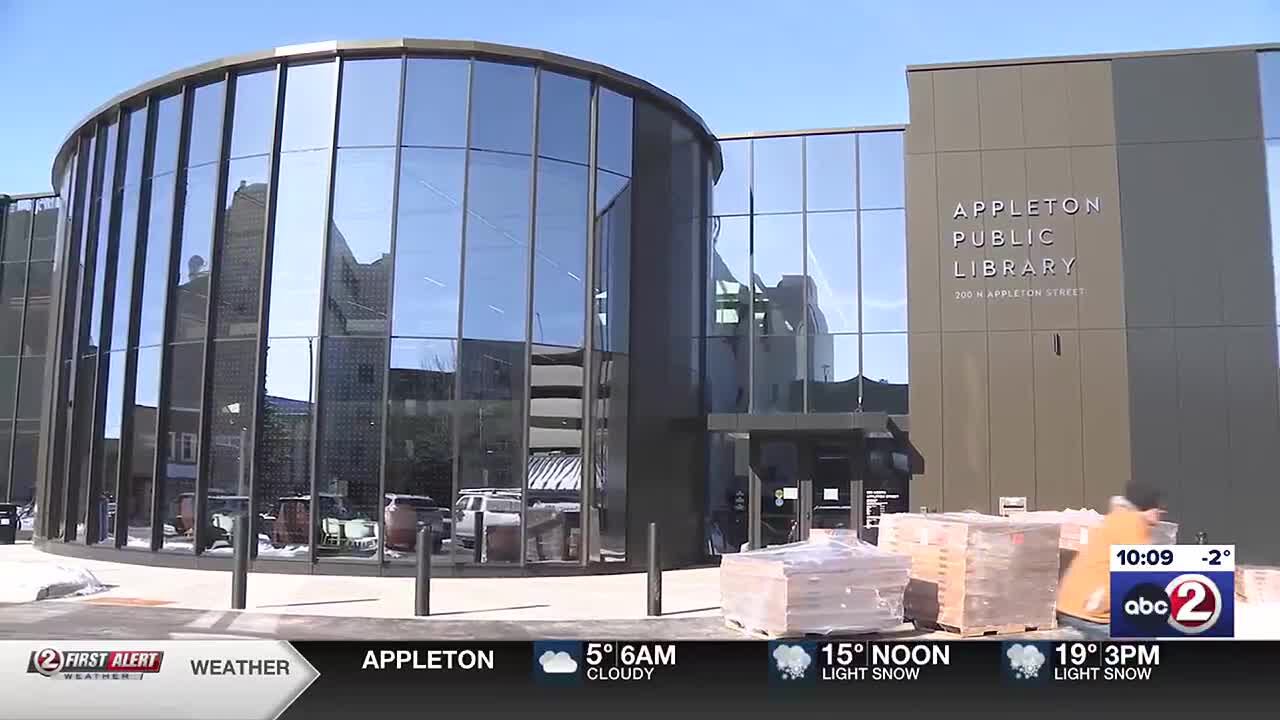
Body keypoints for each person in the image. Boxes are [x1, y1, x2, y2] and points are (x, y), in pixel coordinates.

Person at [1056, 481, 1166, 640]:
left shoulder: (1118, 518)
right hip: (1089, 611)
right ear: (1148, 507)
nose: (1161, 511)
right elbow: (1143, 571)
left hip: (1073, 604)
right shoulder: (1132, 523)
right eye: (1158, 506)